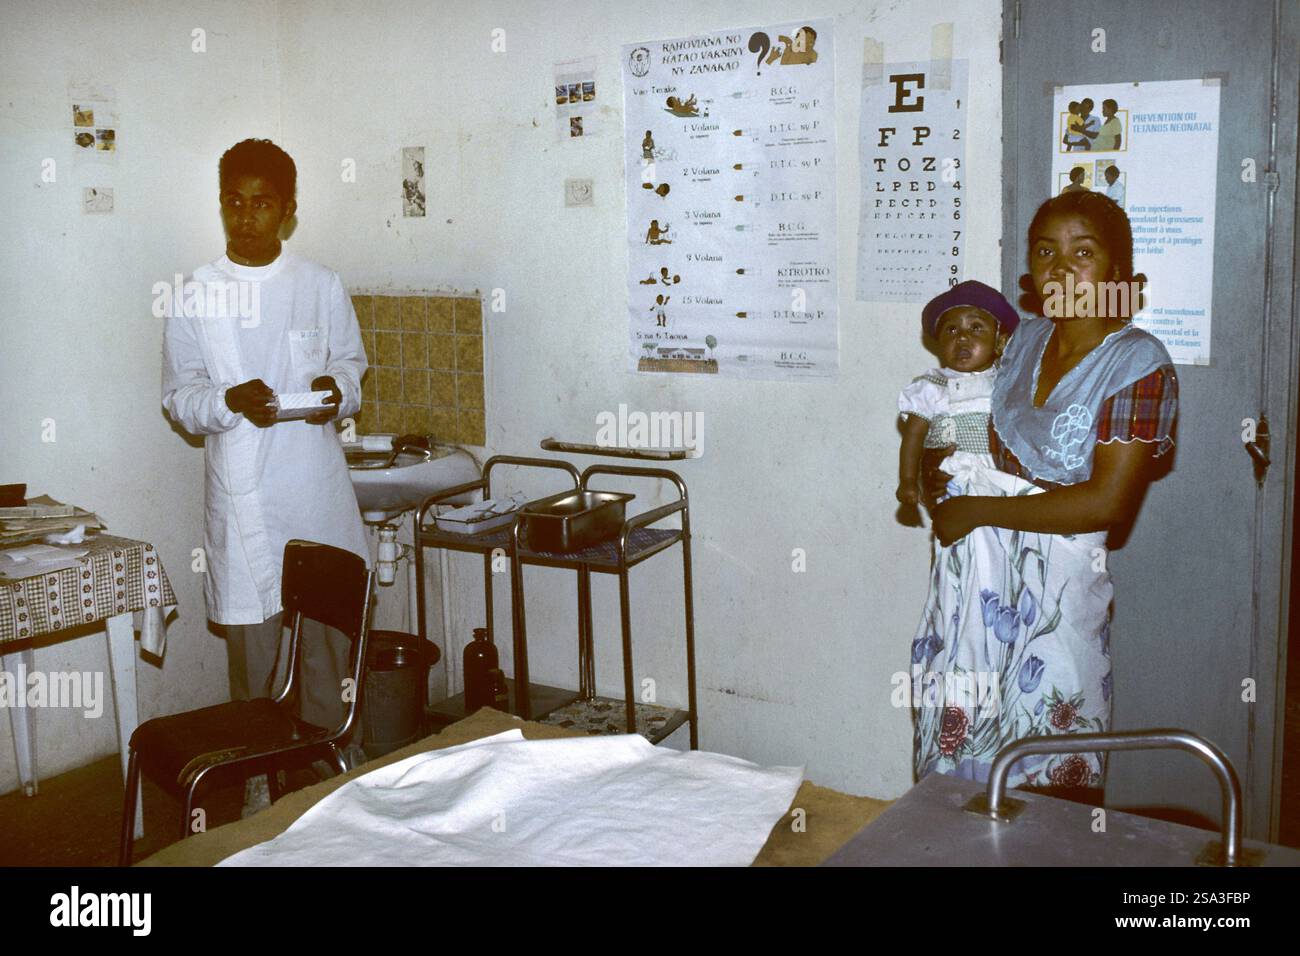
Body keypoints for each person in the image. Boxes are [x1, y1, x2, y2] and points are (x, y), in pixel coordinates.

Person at [912, 191, 1178, 801]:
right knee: (964, 747)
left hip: (1059, 587)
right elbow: (956, 406)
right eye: (1045, 252)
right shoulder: (1019, 340)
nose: (1061, 267)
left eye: (1082, 252)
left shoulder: (1139, 364)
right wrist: (935, 467)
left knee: (1052, 741)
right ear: (1030, 273)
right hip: (977, 580)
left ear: (1116, 268)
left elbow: (1105, 503)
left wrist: (978, 508)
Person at [161, 139, 370, 805]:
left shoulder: (319, 284)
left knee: (323, 651)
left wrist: (338, 391)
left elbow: (351, 366)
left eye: (262, 204)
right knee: (255, 660)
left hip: (313, 489)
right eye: (233, 204)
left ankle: (332, 772)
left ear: (288, 211)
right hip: (244, 495)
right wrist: (226, 401)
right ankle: (257, 781)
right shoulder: (195, 293)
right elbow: (180, 397)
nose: (245, 218)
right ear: (222, 207)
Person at [895, 281, 1020, 525]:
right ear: (939, 342)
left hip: (999, 478)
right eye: (951, 330)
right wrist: (908, 480)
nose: (962, 337)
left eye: (976, 328)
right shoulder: (931, 387)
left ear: (1000, 343)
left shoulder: (1006, 384)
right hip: (950, 477)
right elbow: (913, 437)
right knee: (958, 544)